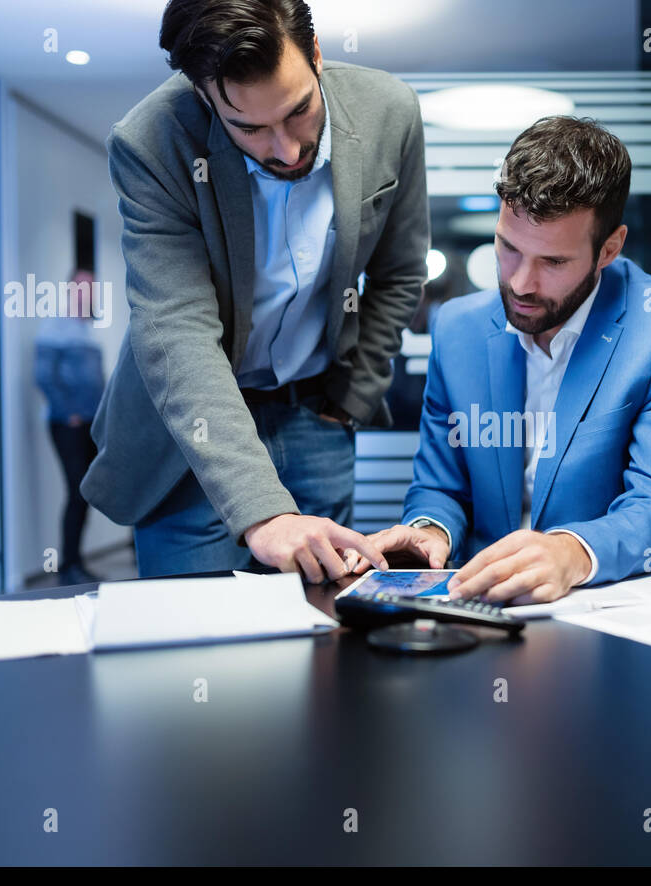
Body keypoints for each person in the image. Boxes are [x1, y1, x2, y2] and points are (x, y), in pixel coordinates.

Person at [81, 0, 429, 581]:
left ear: (316, 56)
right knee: (198, 647)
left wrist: (352, 398)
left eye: (299, 112)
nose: (288, 150)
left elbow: (399, 273)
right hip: (193, 439)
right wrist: (264, 511)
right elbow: (176, 327)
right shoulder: (151, 142)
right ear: (202, 94)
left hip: (317, 415)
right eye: (250, 128)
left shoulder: (389, 112)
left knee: (323, 638)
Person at [348, 117, 651, 604]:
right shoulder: (458, 328)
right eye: (508, 247)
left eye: (553, 262)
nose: (521, 283)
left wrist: (570, 553)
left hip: (612, 610)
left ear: (609, 248)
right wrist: (432, 531)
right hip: (479, 607)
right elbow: (442, 487)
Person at [33, 269, 105, 586]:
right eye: (80, 288)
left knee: (85, 492)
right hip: (67, 424)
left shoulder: (86, 327)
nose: (85, 294)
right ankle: (67, 567)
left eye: (90, 288)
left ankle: (76, 562)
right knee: (76, 491)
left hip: (90, 423)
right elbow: (44, 376)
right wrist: (71, 412)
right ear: (68, 291)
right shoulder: (55, 326)